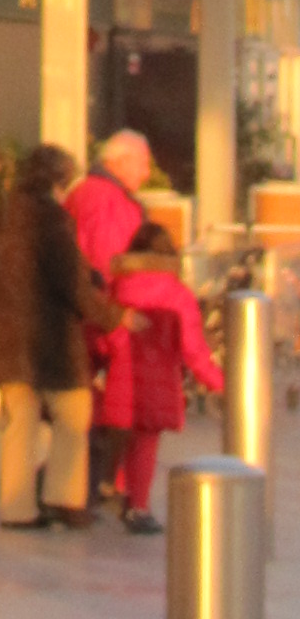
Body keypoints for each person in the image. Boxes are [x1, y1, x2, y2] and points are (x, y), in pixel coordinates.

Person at [0, 145, 122, 529]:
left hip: (5, 336)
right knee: (74, 412)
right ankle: (65, 499)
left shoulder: (5, 214)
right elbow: (70, 280)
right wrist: (110, 316)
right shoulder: (51, 219)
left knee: (19, 421)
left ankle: (16, 509)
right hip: (48, 339)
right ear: (57, 179)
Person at [97, 222, 221, 534]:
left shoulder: (117, 287)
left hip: (120, 378)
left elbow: (103, 339)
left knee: (120, 437)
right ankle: (138, 506)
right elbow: (193, 350)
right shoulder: (178, 294)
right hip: (158, 380)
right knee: (146, 443)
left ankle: (116, 488)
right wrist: (220, 383)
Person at [69, 132, 153, 497]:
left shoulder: (83, 193)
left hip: (82, 313)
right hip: (104, 316)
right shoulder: (109, 201)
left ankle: (86, 481)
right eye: (143, 163)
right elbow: (110, 261)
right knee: (116, 404)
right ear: (119, 162)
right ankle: (104, 482)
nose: (147, 174)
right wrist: (118, 315)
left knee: (89, 403)